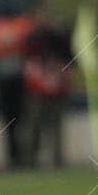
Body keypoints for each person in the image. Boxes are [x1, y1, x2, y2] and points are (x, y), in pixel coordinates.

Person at [0, 5, 33, 168]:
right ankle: (19, 157)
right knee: (16, 121)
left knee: (14, 121)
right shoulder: (21, 27)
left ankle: (18, 157)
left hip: (12, 80)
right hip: (11, 80)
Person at [20, 16, 70, 168]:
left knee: (54, 127)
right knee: (35, 126)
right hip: (37, 91)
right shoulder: (33, 41)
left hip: (54, 91)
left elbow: (68, 61)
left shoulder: (59, 41)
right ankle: (30, 161)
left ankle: (56, 160)